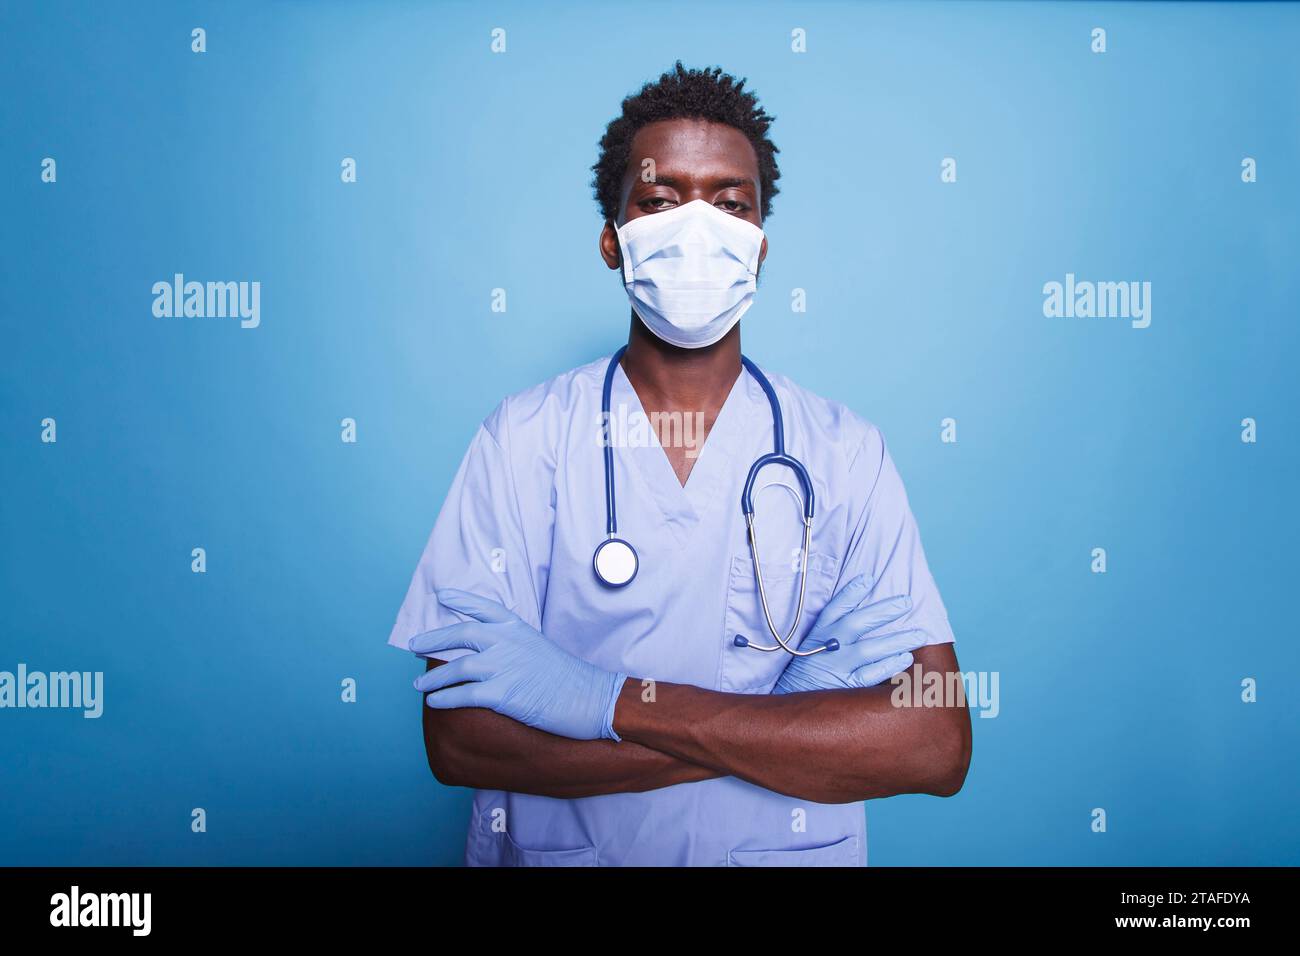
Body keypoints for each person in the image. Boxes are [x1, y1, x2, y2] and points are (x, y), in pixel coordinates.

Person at [389, 63, 970, 866]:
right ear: (611, 241)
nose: (698, 229)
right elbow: (460, 742)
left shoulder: (844, 452)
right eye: (661, 202)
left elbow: (933, 741)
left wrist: (601, 701)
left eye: (732, 204)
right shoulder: (521, 441)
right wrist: (781, 725)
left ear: (760, 248)